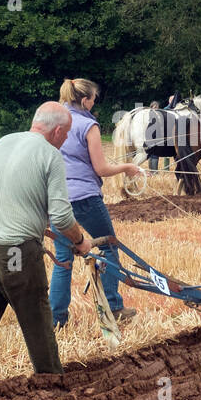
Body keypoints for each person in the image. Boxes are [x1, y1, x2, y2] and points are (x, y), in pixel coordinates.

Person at [0, 102, 91, 397]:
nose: (65, 141)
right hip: (14, 254)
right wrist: (80, 241)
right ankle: (52, 390)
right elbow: (63, 216)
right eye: (65, 136)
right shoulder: (51, 156)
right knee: (37, 321)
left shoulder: (3, 142)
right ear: (57, 131)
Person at [49, 78, 143, 329]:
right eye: (93, 99)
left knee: (62, 259)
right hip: (84, 198)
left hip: (56, 199)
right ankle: (113, 306)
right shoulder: (88, 125)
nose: (93, 103)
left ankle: (56, 318)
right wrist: (128, 167)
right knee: (109, 247)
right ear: (84, 100)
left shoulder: (52, 122)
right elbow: (101, 168)